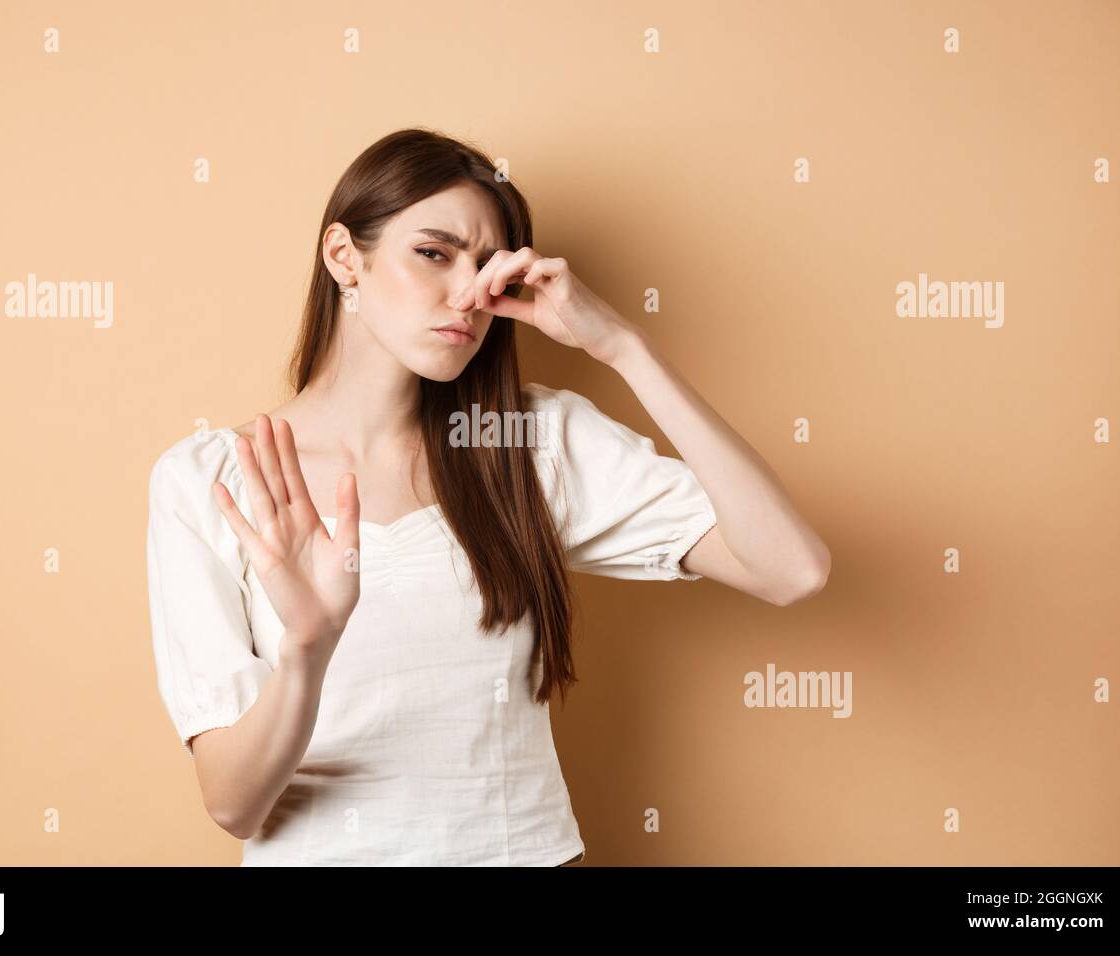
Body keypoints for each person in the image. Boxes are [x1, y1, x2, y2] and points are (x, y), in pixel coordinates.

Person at [146, 127, 831, 866]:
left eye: (489, 271)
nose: (467, 294)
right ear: (345, 256)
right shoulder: (208, 480)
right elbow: (233, 803)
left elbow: (792, 568)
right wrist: (308, 649)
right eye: (434, 254)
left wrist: (622, 348)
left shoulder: (528, 443)